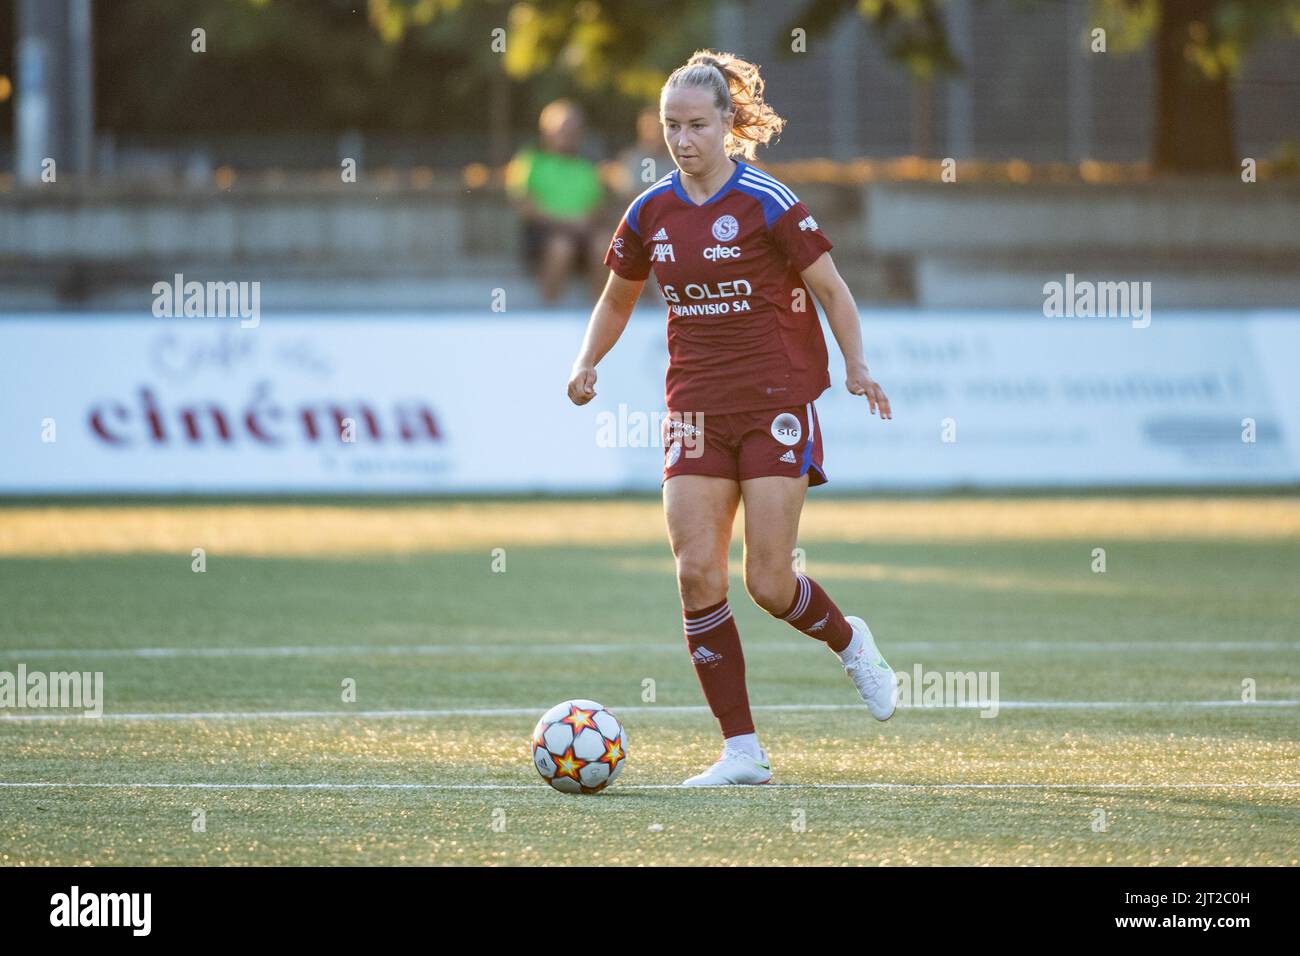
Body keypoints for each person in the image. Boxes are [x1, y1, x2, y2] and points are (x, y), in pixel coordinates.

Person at [566, 49, 896, 786]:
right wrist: (588, 360)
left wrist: (857, 367)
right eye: (670, 126)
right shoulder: (649, 211)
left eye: (697, 125)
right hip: (692, 412)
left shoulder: (768, 201)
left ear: (727, 125)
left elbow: (834, 293)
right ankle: (742, 751)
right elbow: (618, 297)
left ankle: (850, 643)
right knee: (695, 574)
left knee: (770, 583)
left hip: (776, 404)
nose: (682, 140)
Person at [506, 99, 608, 303]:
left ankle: (600, 314)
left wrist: (584, 222)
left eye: (574, 128)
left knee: (606, 245)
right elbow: (524, 205)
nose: (569, 134)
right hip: (543, 234)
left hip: (582, 233)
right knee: (561, 248)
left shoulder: (587, 166)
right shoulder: (529, 160)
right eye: (564, 128)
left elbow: (597, 208)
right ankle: (550, 313)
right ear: (547, 130)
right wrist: (565, 222)